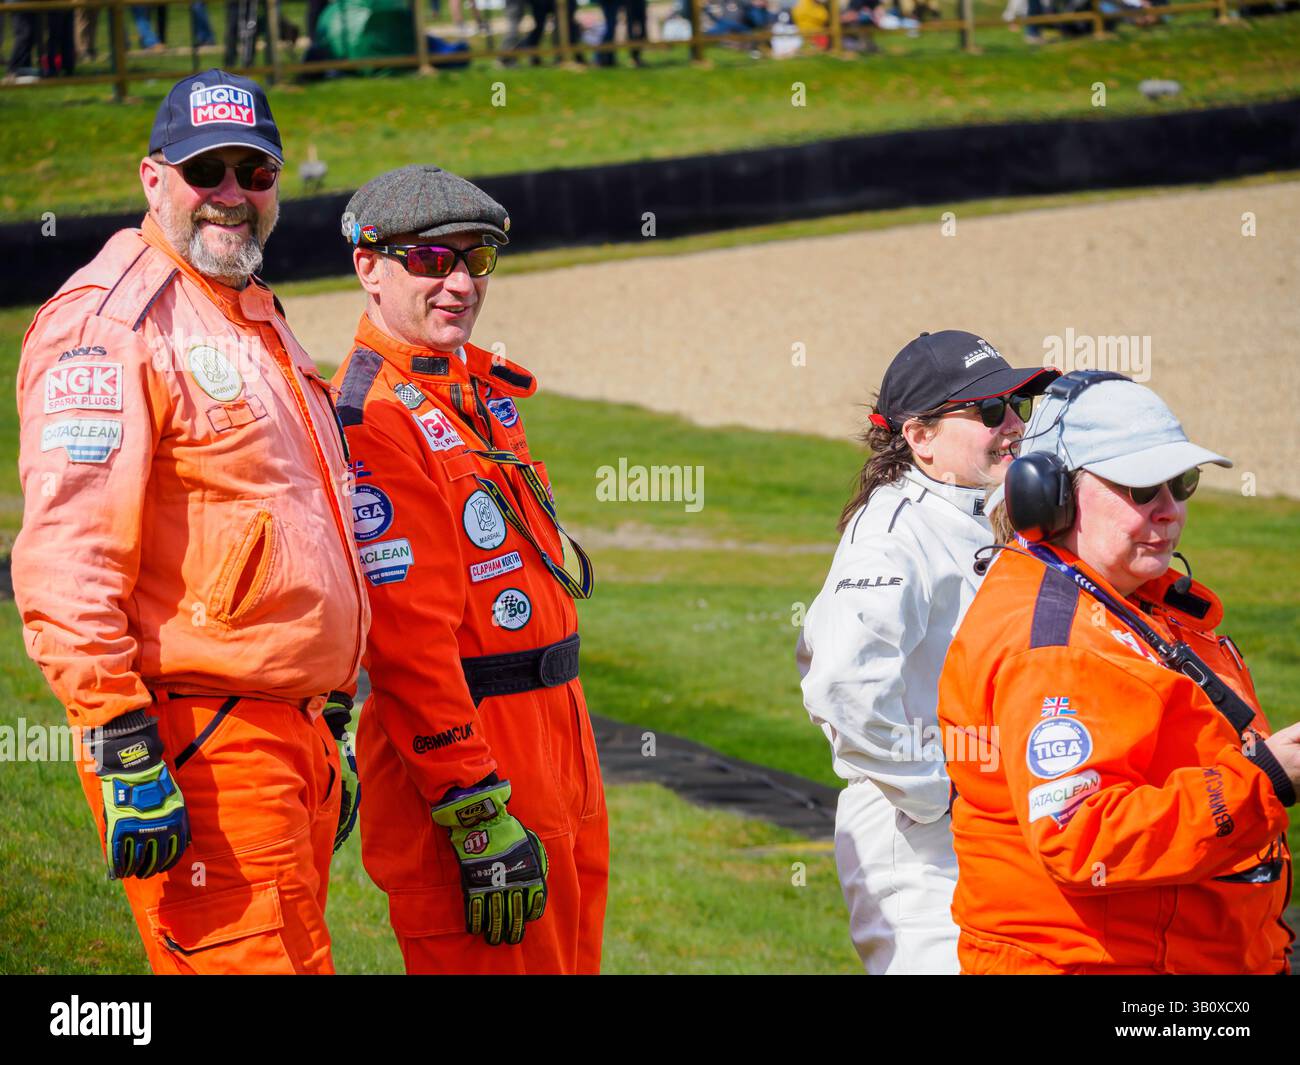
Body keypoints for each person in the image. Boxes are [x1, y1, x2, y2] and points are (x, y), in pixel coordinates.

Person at [12, 69, 368, 975]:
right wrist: (122, 738)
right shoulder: (110, 321)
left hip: (288, 740)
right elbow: (67, 555)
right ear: (152, 177)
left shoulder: (250, 309)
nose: (233, 195)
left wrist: (323, 719)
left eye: (255, 173)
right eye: (207, 170)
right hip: (199, 741)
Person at [333, 165, 608, 975]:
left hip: (558, 734)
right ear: (368, 267)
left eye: (476, 259)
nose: (457, 283)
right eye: (429, 260)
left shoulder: (475, 388)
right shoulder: (374, 416)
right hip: (478, 759)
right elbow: (407, 642)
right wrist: (471, 803)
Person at [938, 372, 1298, 974]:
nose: (1169, 509)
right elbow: (1081, 837)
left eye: (1180, 483)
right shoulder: (1058, 649)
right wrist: (1264, 780)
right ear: (1051, 496)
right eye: (1139, 488)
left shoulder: (1131, 601)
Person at [796, 331, 1058, 974]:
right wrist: (936, 795)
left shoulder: (992, 510)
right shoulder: (891, 535)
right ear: (920, 438)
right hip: (914, 834)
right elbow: (841, 688)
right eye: (991, 411)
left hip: (992, 822)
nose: (1014, 426)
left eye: (1017, 406)